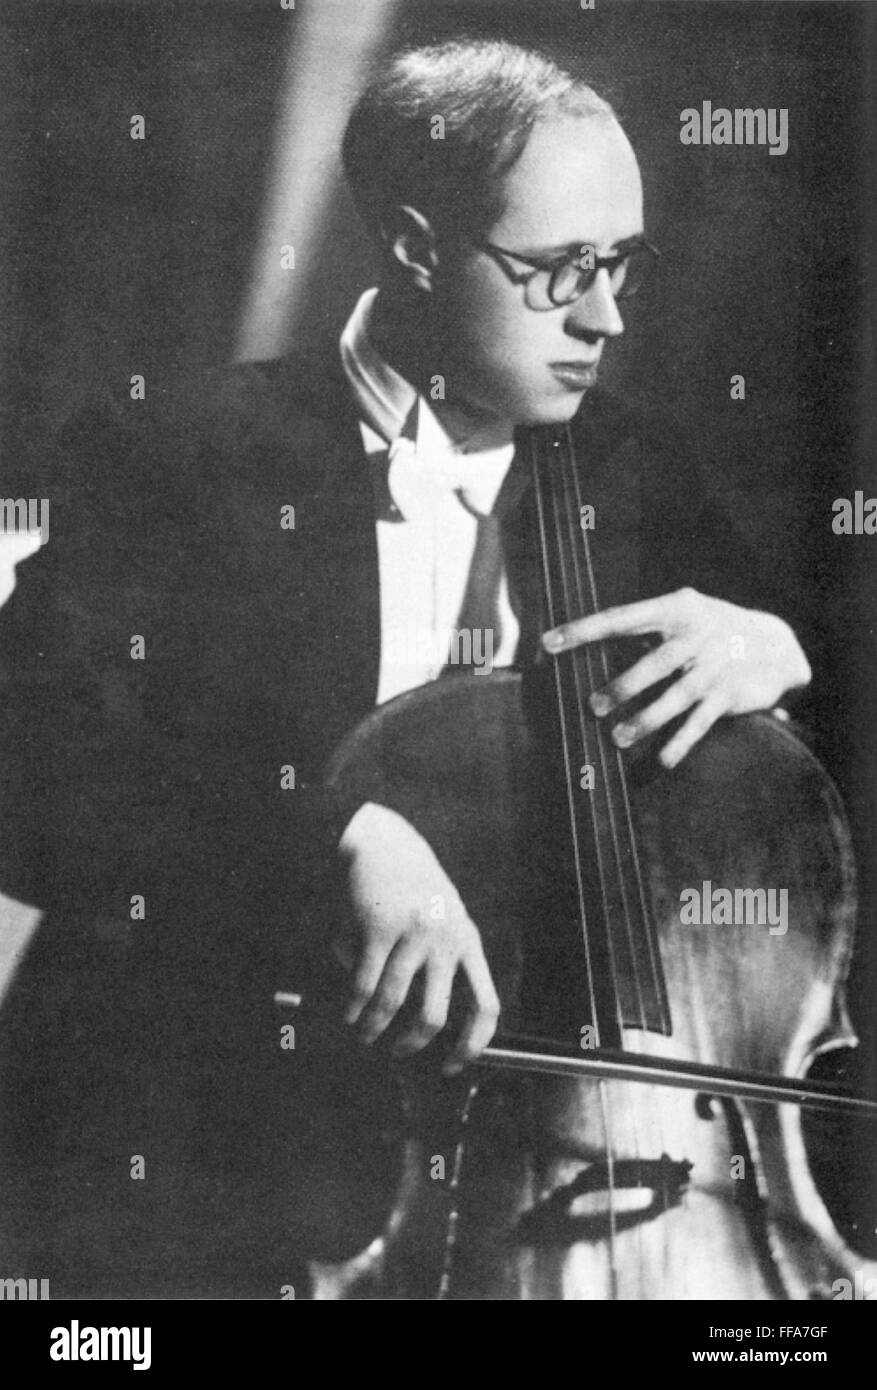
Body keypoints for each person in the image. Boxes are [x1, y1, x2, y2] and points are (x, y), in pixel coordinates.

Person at [0, 38, 813, 1298]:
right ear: (420, 245)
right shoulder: (179, 458)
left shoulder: (638, 478)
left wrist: (786, 645)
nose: (602, 317)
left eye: (620, 266)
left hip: (564, 1162)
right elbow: (32, 765)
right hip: (221, 1144)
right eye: (556, 271)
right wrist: (330, 836)